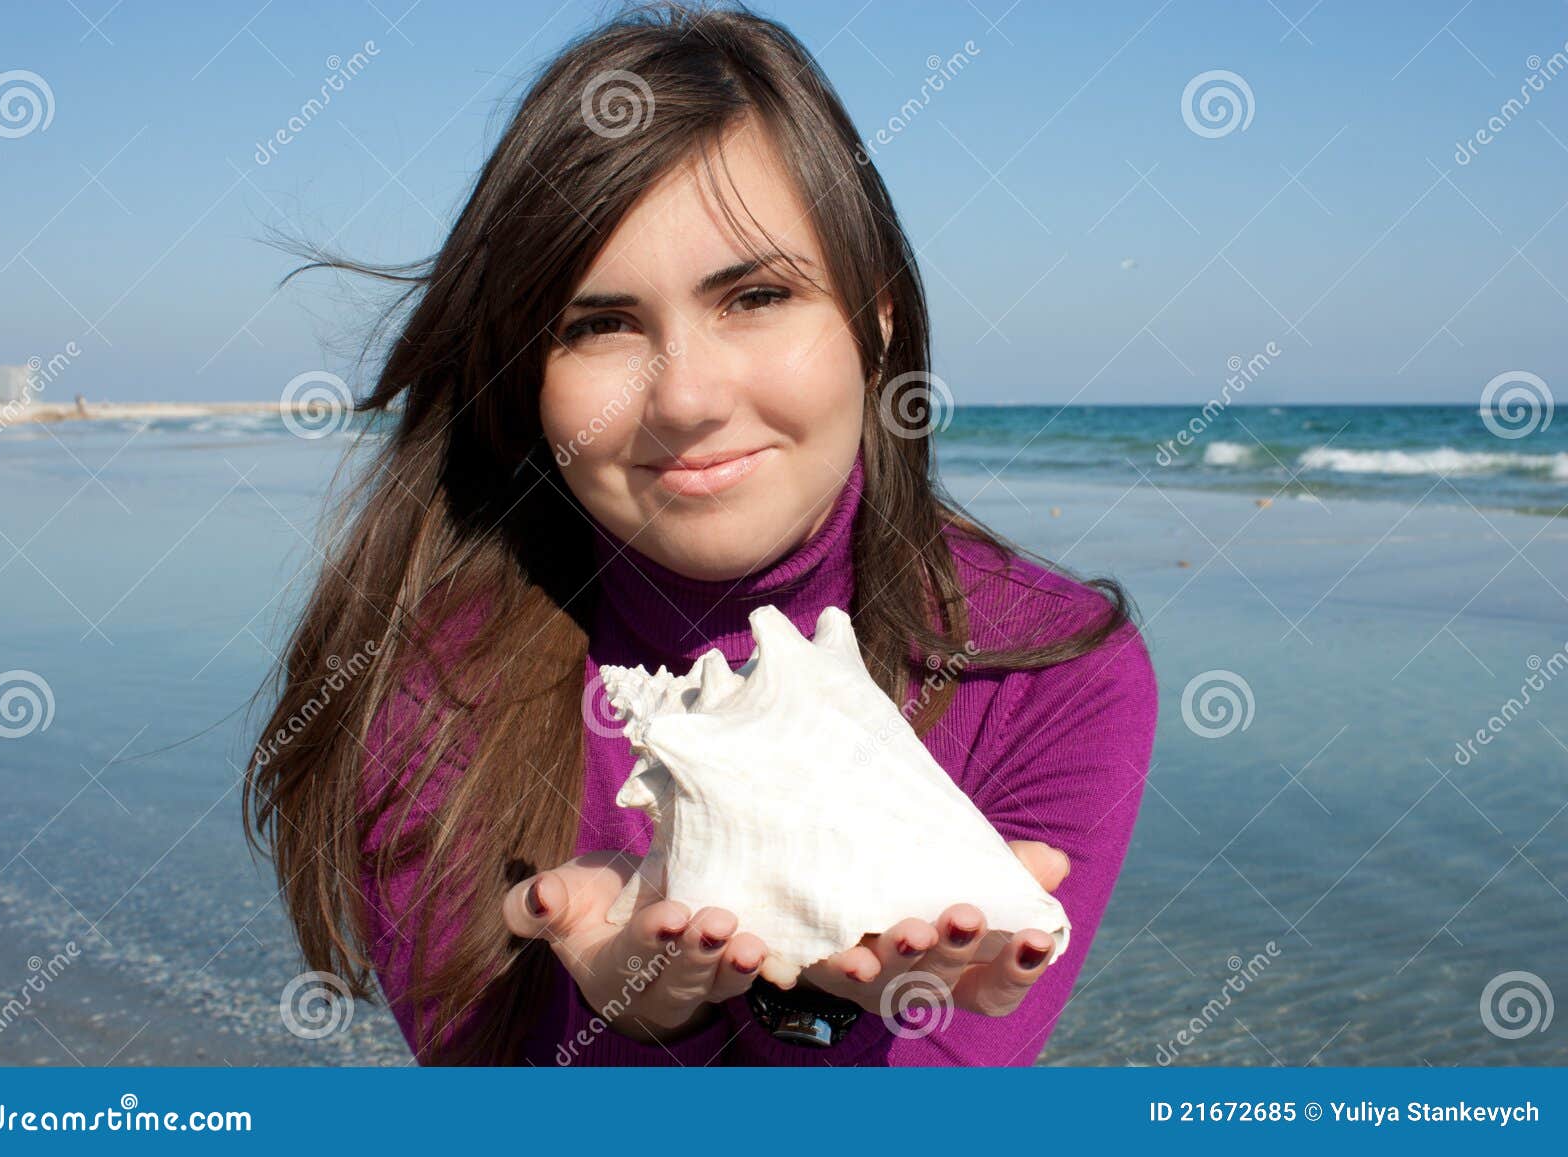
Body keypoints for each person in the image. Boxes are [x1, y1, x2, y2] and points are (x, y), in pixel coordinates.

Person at [243, 0, 1158, 1066]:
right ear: (526, 373)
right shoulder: (426, 684)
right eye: (599, 324)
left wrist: (794, 1009)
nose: (685, 399)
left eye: (755, 296)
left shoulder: (1046, 672)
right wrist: (635, 1014)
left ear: (874, 317)